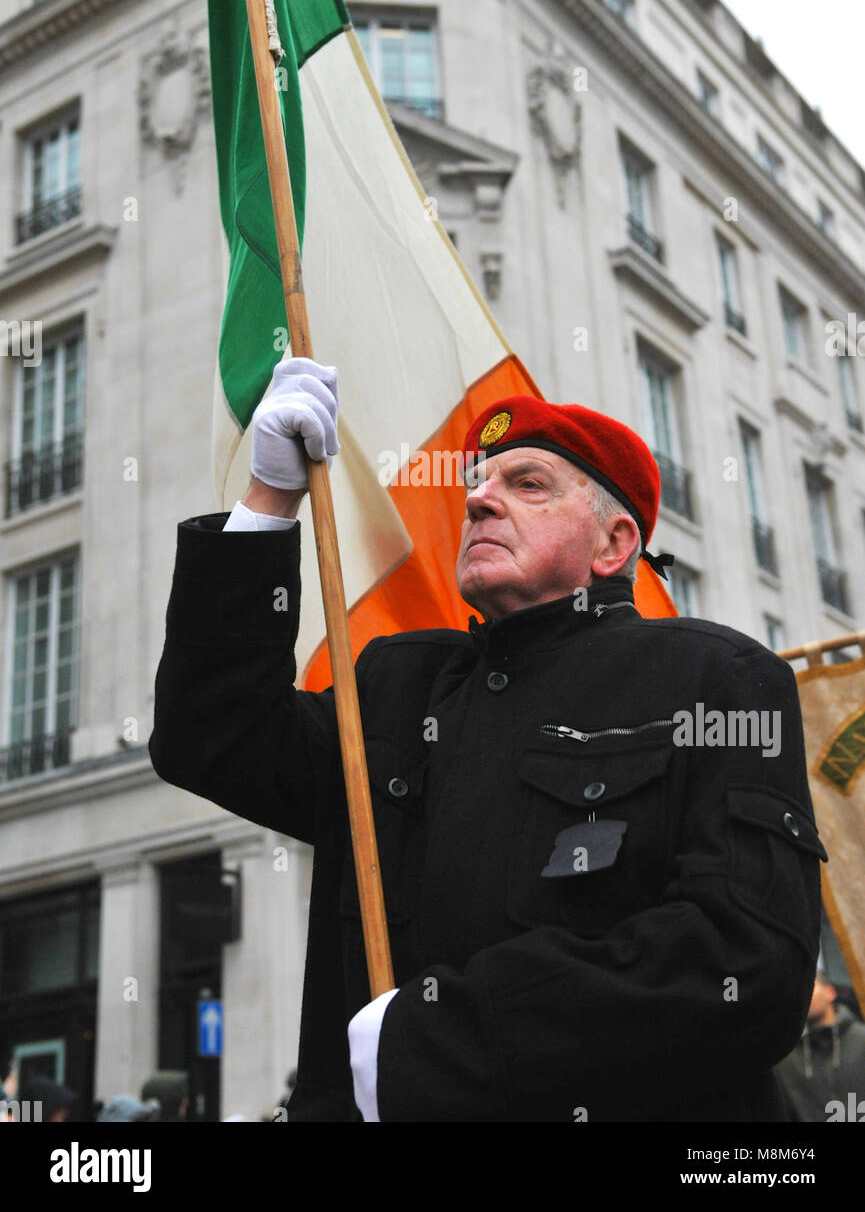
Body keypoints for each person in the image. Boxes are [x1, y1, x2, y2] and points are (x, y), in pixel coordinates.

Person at [149, 357, 826, 1122]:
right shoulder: (395, 687)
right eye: (476, 483)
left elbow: (746, 964)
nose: (477, 499)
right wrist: (269, 503)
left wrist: (436, 1041)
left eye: (526, 483)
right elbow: (211, 736)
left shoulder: (717, 679)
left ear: (614, 543)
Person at [775, 969, 865, 1121]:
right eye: (796, 991)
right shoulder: (786, 1059)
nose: (803, 995)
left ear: (830, 992)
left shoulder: (861, 1040)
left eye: (811, 986)